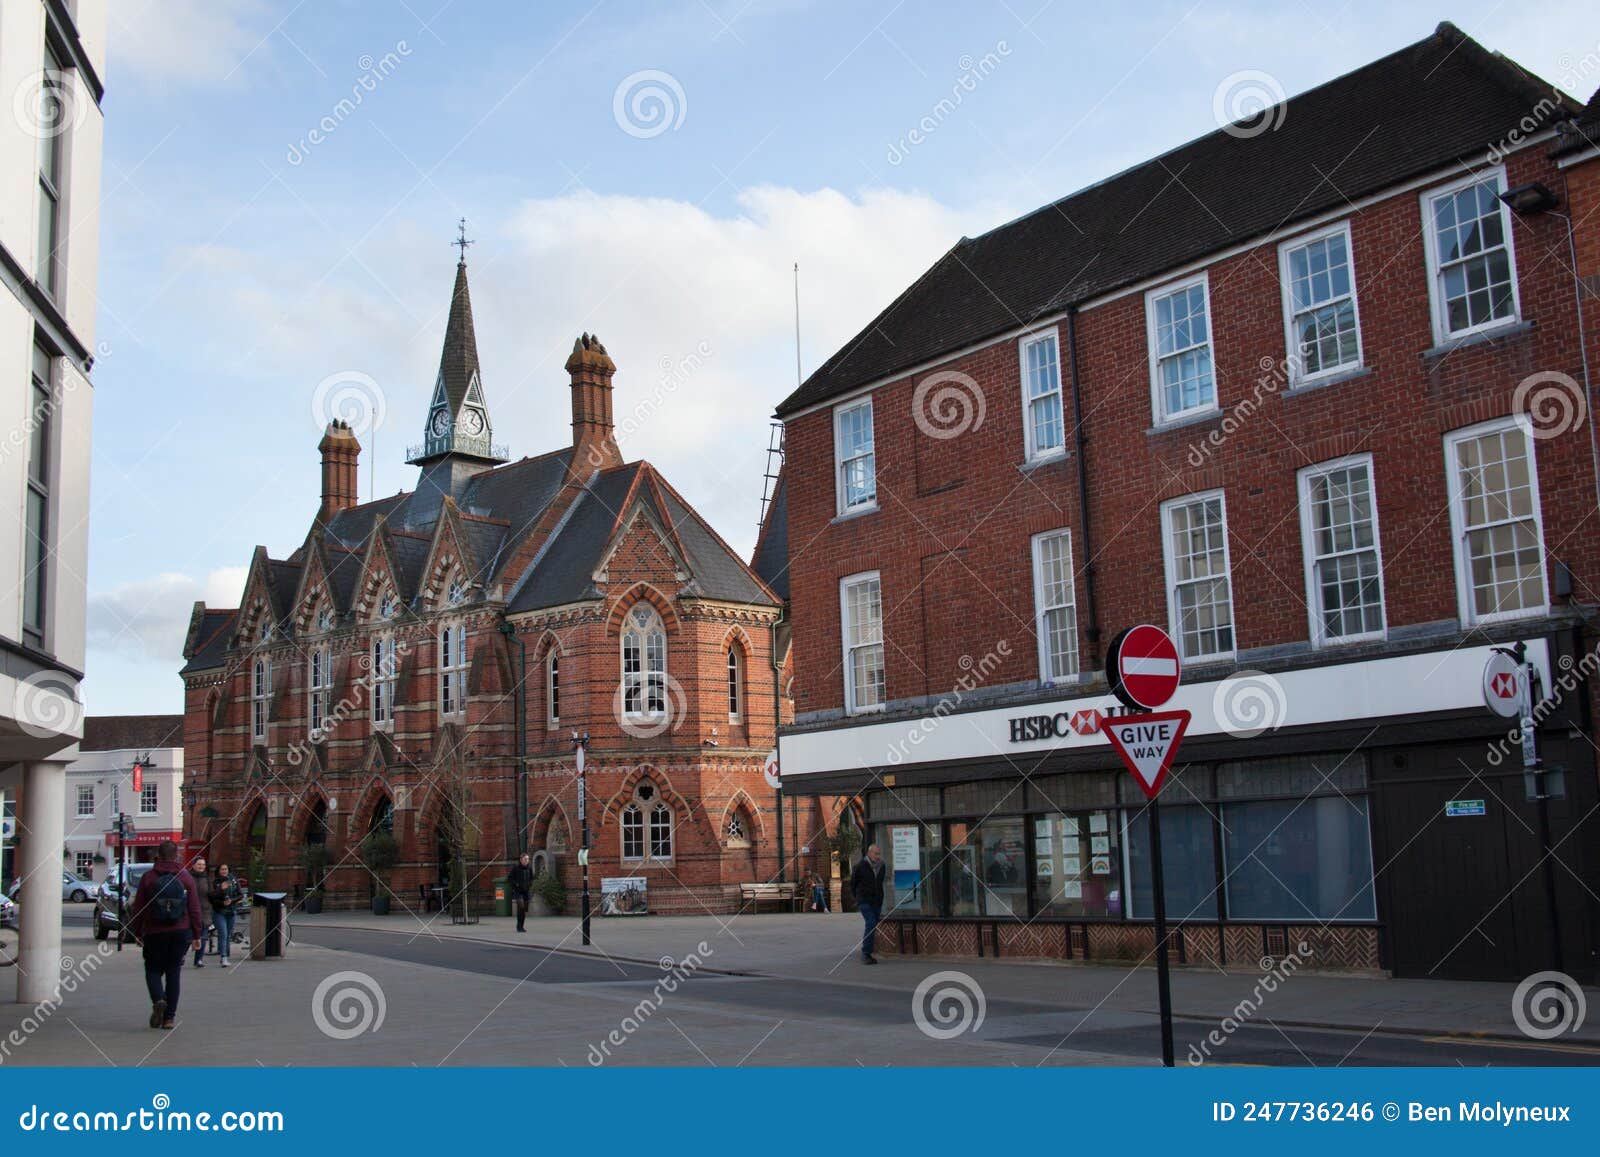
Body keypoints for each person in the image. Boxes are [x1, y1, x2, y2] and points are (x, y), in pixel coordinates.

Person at [129, 840, 203, 1030]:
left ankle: (159, 999)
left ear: (158, 856)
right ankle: (169, 1018)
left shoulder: (148, 878)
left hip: (155, 931)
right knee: (173, 972)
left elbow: (139, 908)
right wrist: (197, 935)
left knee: (153, 970)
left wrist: (137, 932)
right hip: (180, 931)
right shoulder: (185, 878)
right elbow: (195, 909)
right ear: (176, 856)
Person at [849, 844, 886, 964]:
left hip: (877, 900)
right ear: (869, 853)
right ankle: (866, 952)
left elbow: (880, 882)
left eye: (879, 854)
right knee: (870, 923)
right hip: (864, 900)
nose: (877, 856)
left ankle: (869, 950)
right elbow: (853, 883)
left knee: (873, 925)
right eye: (875, 854)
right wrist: (858, 897)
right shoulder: (860, 866)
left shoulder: (882, 866)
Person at [210, 863, 243, 968]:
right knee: (223, 934)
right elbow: (212, 898)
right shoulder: (215, 882)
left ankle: (226, 956)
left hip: (231, 911)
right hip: (219, 912)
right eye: (222, 869)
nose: (224, 871)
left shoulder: (233, 881)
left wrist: (231, 901)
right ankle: (223, 957)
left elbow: (240, 895)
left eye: (226, 869)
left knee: (228, 935)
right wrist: (222, 903)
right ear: (218, 871)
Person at [189, 856, 213, 967]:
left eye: (203, 865)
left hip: (204, 912)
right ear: (193, 865)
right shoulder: (188, 877)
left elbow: (212, 894)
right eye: (199, 864)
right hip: (189, 911)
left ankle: (199, 959)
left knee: (203, 937)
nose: (201, 867)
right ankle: (181, 957)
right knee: (187, 937)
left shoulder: (207, 879)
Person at [508, 852, 534, 933]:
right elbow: (510, 878)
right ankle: (519, 927)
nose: (527, 861)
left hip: (526, 891)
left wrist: (530, 884)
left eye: (528, 859)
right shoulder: (516, 868)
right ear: (521, 860)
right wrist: (516, 884)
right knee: (521, 907)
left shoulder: (529, 868)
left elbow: (532, 878)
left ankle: (521, 926)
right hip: (518, 891)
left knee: (524, 910)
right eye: (525, 859)